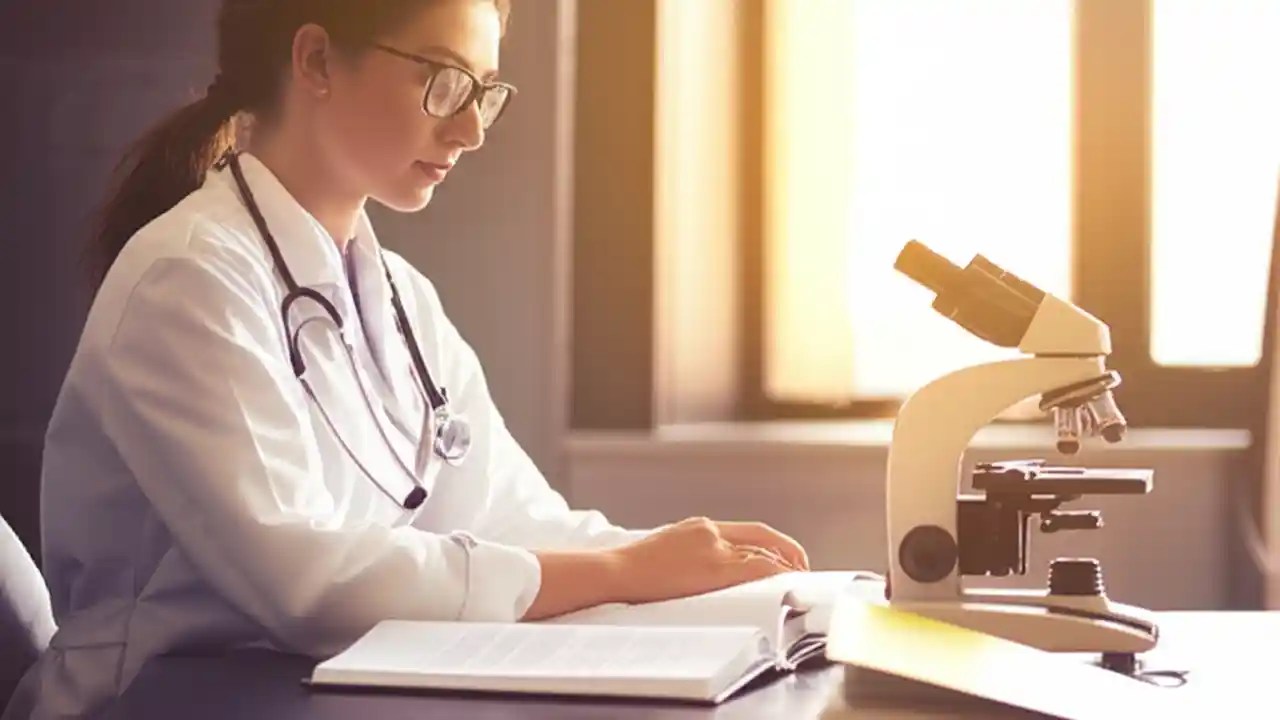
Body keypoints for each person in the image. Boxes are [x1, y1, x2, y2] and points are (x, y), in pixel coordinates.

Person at [4, 2, 809, 718]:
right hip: (163, 696)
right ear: (315, 59)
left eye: (484, 91)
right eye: (446, 82)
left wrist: (703, 572)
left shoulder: (398, 295)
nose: (472, 129)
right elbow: (305, 581)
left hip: (322, 686)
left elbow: (506, 516)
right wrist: (627, 571)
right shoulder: (188, 276)